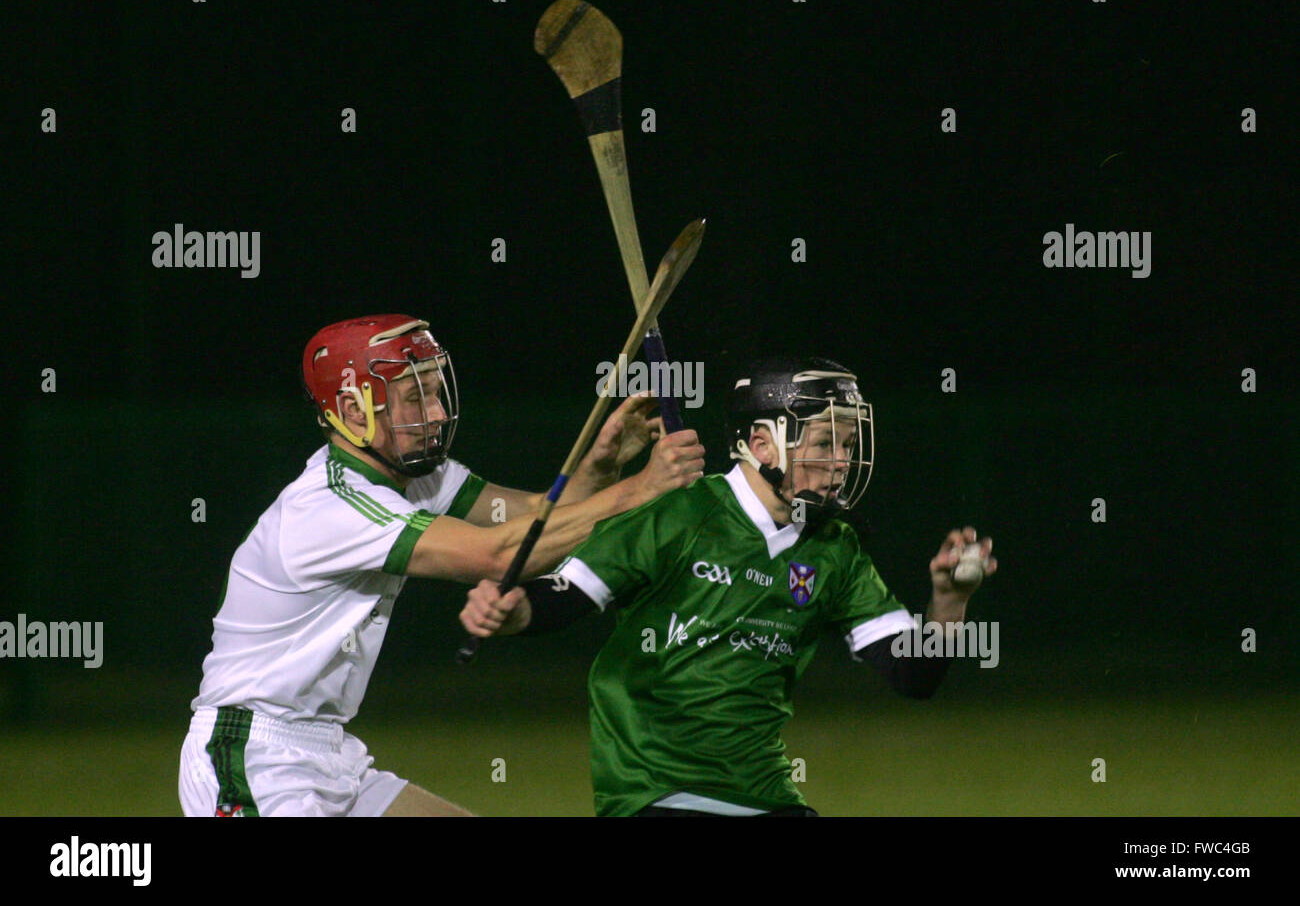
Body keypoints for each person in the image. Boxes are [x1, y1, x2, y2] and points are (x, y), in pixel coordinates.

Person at [179, 313, 705, 816]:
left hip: (328, 750)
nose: (434, 412)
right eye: (413, 398)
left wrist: (605, 464)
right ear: (353, 408)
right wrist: (641, 490)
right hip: (254, 755)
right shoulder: (331, 505)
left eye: (434, 391)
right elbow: (498, 555)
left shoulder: (417, 479)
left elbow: (535, 520)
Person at [459, 356, 998, 816]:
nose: (841, 464)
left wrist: (950, 601)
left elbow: (913, 676)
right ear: (763, 444)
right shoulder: (679, 511)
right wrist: (513, 612)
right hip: (656, 793)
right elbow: (565, 598)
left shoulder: (835, 547)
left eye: (849, 443)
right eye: (826, 443)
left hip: (763, 794)